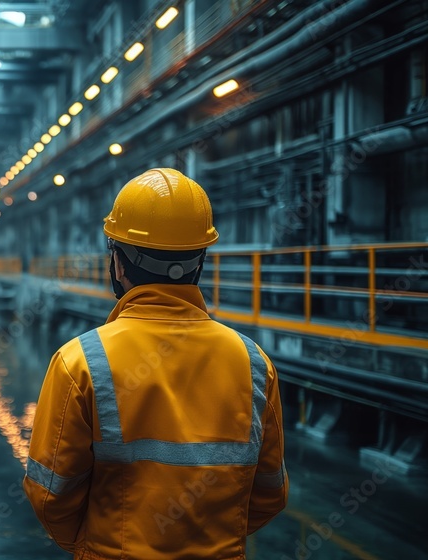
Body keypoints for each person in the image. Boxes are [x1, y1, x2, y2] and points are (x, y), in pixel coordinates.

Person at [23, 168, 287, 558]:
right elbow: (269, 492)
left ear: (119, 263)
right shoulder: (253, 363)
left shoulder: (80, 362)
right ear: (199, 261)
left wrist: (95, 545)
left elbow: (50, 494)